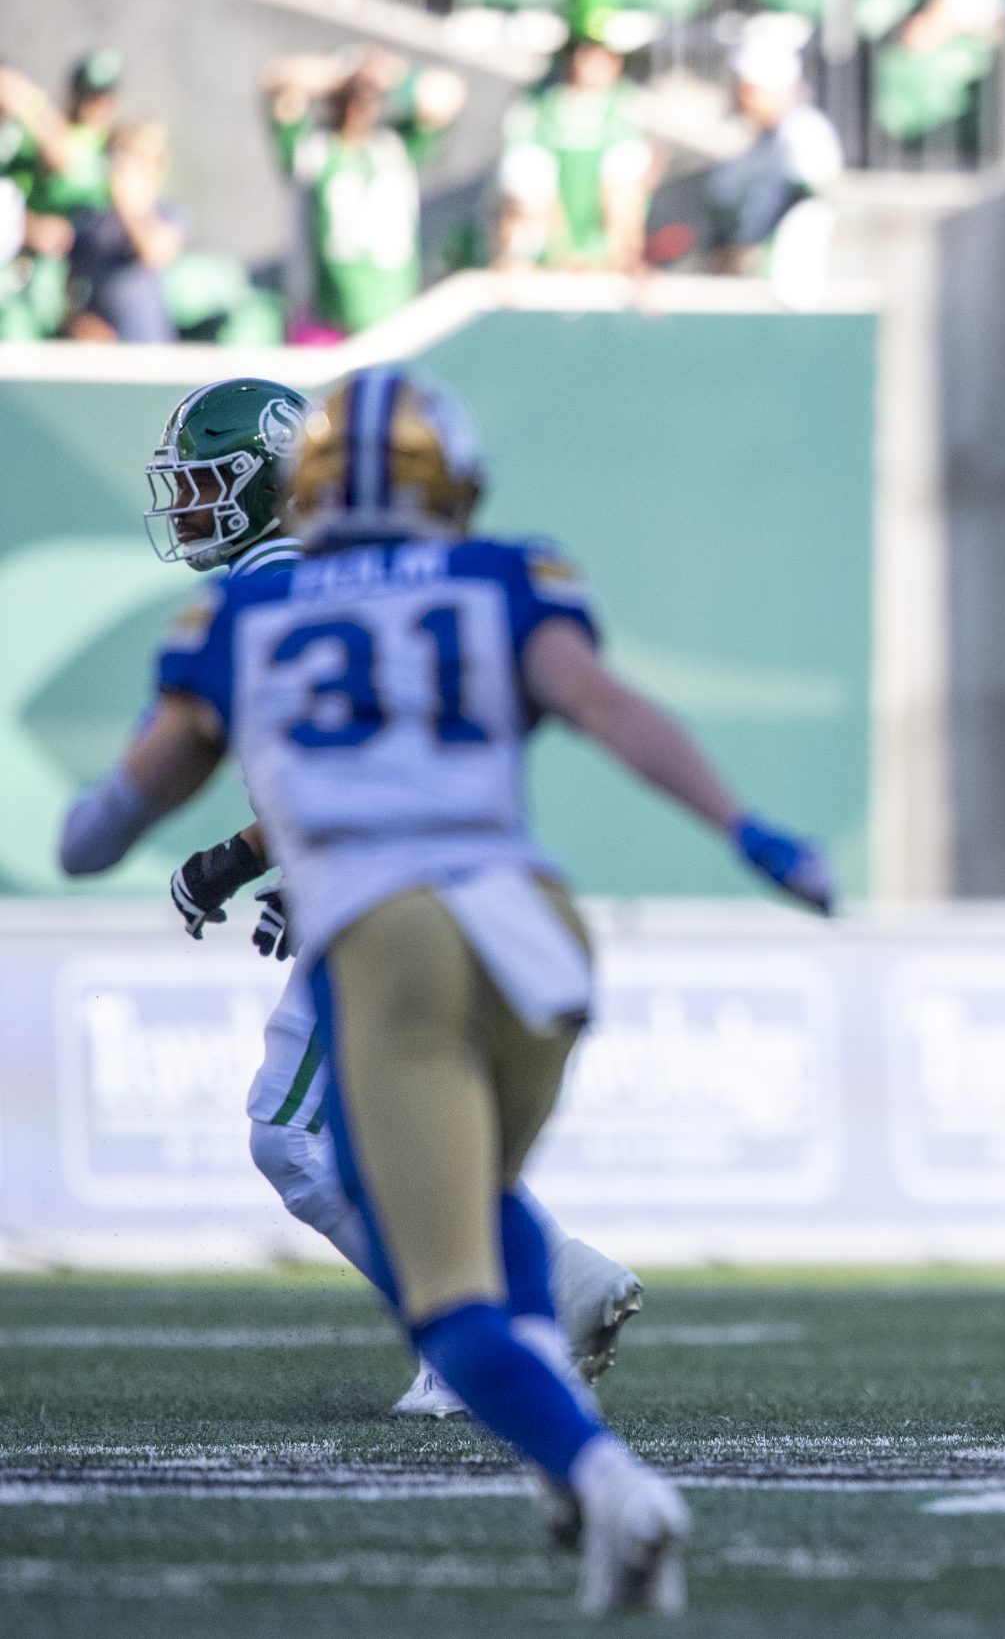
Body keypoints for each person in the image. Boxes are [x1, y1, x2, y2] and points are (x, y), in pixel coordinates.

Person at [56, 364, 835, 1610]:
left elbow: (142, 812)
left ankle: (557, 1421)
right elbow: (609, 710)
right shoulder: (507, 575)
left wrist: (121, 836)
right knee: (439, 1171)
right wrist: (752, 834)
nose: (193, 510)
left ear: (292, 481)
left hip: (393, 919)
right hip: (536, 927)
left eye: (211, 485)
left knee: (357, 1192)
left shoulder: (248, 611)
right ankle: (557, 1328)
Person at [102, 376, 646, 1420]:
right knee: (366, 1120)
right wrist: (240, 858)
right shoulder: (352, 573)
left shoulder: (267, 591)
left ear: (271, 483)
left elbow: (329, 766)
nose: (185, 509)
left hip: (390, 888)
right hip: (448, 877)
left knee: (304, 1133)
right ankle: (557, 1281)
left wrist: (303, 875)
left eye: (207, 483)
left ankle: (480, 1337)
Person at [265, 49, 467, 339]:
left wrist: (393, 77)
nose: (357, 106)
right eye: (350, 98)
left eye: (366, 98)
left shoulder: (394, 146)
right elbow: (278, 80)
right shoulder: (313, 151)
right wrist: (343, 73)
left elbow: (448, 95)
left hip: (394, 321)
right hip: (328, 324)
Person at [497, 0, 659, 274]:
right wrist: (562, 257)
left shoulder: (625, 109)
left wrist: (619, 259)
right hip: (544, 263)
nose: (593, 61)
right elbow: (530, 197)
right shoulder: (535, 109)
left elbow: (624, 200)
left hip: (602, 263)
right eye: (584, 49)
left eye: (605, 52)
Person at [705, 27, 844, 303]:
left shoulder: (806, 134)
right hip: (756, 290)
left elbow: (812, 205)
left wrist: (754, 252)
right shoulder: (759, 141)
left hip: (788, 293)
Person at [60, 121, 184, 342]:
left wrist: (129, 207)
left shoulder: (166, 214)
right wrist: (76, 322)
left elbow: (156, 252)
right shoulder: (91, 222)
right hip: (104, 358)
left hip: (149, 348)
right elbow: (70, 285)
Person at [0, 51, 120, 221]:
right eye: (87, 94)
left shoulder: (101, 146)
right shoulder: (51, 127)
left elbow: (61, 153)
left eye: (101, 96)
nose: (94, 103)